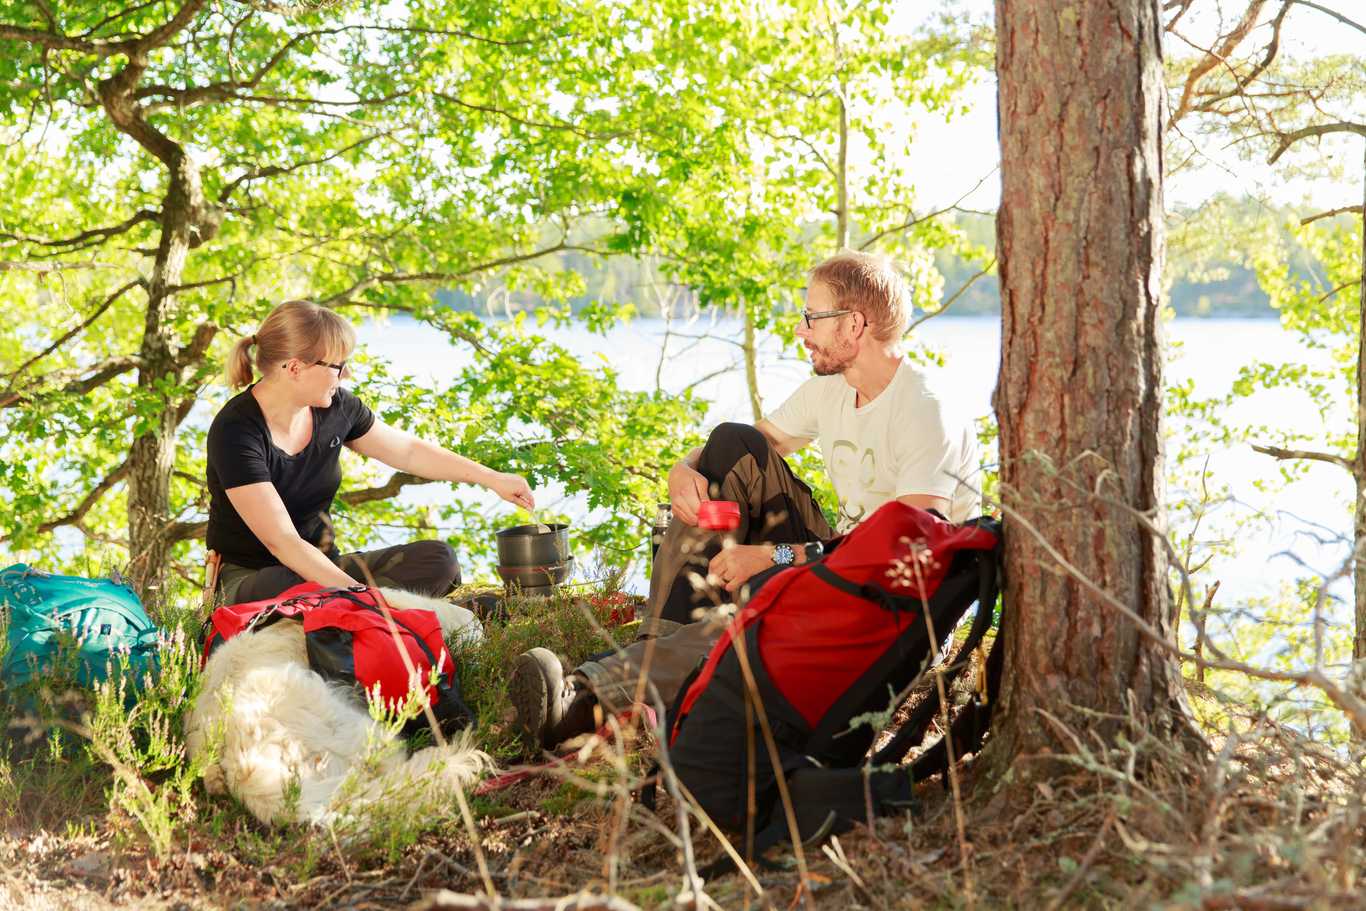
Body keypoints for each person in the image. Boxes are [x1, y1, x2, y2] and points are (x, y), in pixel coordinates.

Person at [509, 250, 980, 749]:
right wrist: (682, 469)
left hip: (896, 607)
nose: (801, 330)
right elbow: (739, 453)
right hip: (836, 563)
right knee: (732, 442)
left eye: (812, 317)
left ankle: (581, 703)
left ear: (854, 324)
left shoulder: (926, 411)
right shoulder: (833, 390)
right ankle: (660, 646)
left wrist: (775, 557)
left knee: (760, 618)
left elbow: (902, 555)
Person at [206, 299, 535, 606]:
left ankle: (359, 609)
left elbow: (407, 451)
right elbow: (282, 541)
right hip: (252, 580)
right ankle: (376, 609)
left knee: (438, 561)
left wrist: (491, 478)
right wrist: (361, 596)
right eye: (338, 366)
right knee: (292, 584)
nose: (347, 374)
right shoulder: (236, 430)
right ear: (294, 368)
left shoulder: (337, 407)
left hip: (324, 568)